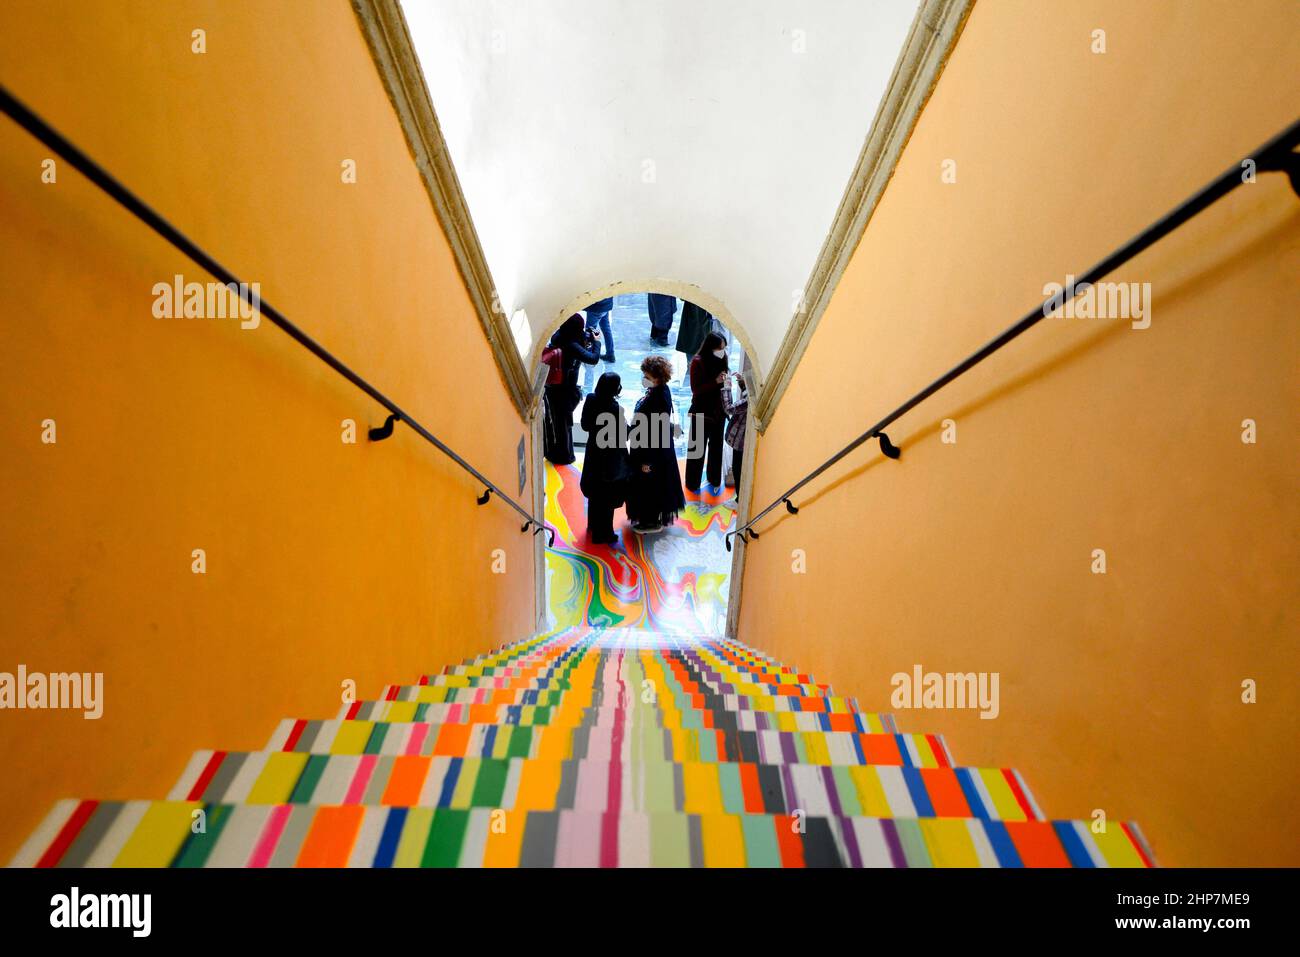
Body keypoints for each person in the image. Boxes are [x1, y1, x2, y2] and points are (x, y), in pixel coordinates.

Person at [626, 355, 685, 533]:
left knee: (649, 488)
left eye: (648, 377)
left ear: (657, 378)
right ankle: (649, 519)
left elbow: (654, 433)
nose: (644, 379)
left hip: (651, 451)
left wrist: (647, 461)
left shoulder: (657, 399)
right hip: (654, 448)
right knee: (652, 486)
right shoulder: (660, 391)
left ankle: (650, 522)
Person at [579, 372, 631, 544]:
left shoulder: (591, 399)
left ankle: (593, 525)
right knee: (607, 497)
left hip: (594, 452)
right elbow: (624, 434)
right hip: (610, 456)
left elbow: (585, 425)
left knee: (595, 493)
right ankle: (604, 534)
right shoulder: (614, 409)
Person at [542, 314, 601, 465]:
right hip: (565, 389)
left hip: (554, 387)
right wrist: (597, 343)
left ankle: (555, 451)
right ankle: (564, 455)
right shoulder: (571, 345)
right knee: (564, 424)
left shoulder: (559, 336)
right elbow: (592, 358)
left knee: (557, 422)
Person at [684, 332, 729, 492]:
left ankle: (714, 478)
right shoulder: (698, 362)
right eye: (719, 348)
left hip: (719, 412)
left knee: (716, 448)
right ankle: (692, 482)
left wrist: (726, 381)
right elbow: (696, 389)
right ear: (711, 347)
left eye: (724, 348)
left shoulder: (723, 359)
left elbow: (723, 385)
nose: (722, 351)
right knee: (697, 449)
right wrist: (715, 382)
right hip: (701, 412)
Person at [721, 371, 749, 505]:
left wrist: (727, 387)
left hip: (741, 441)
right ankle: (739, 497)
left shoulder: (748, 401)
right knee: (738, 467)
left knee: (738, 469)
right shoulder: (751, 394)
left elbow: (729, 408)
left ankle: (739, 500)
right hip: (741, 440)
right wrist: (743, 383)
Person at [584, 297, 615, 362]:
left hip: (596, 307)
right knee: (606, 329)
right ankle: (610, 354)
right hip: (606, 304)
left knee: (589, 331)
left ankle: (589, 357)